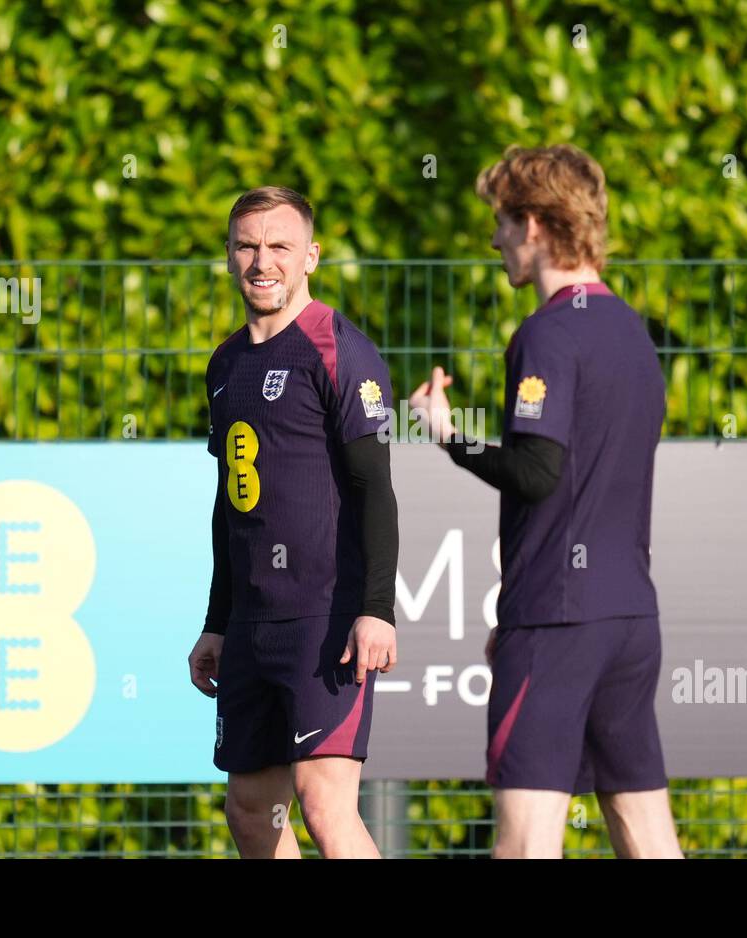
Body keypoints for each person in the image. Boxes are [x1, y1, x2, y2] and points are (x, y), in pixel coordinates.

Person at [409, 145, 685, 858]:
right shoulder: (632, 332)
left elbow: (537, 471)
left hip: (559, 620)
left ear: (532, 223)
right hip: (629, 621)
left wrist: (448, 436)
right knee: (649, 836)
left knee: (527, 844)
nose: (495, 238)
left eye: (500, 222)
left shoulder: (548, 333)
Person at [187, 186, 398, 858]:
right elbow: (231, 504)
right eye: (247, 245)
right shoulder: (225, 364)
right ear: (228, 257)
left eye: (279, 246)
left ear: (310, 256)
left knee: (324, 801)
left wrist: (377, 609)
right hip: (251, 622)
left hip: (325, 617)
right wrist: (218, 621)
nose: (261, 261)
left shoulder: (337, 348)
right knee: (250, 811)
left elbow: (375, 488)